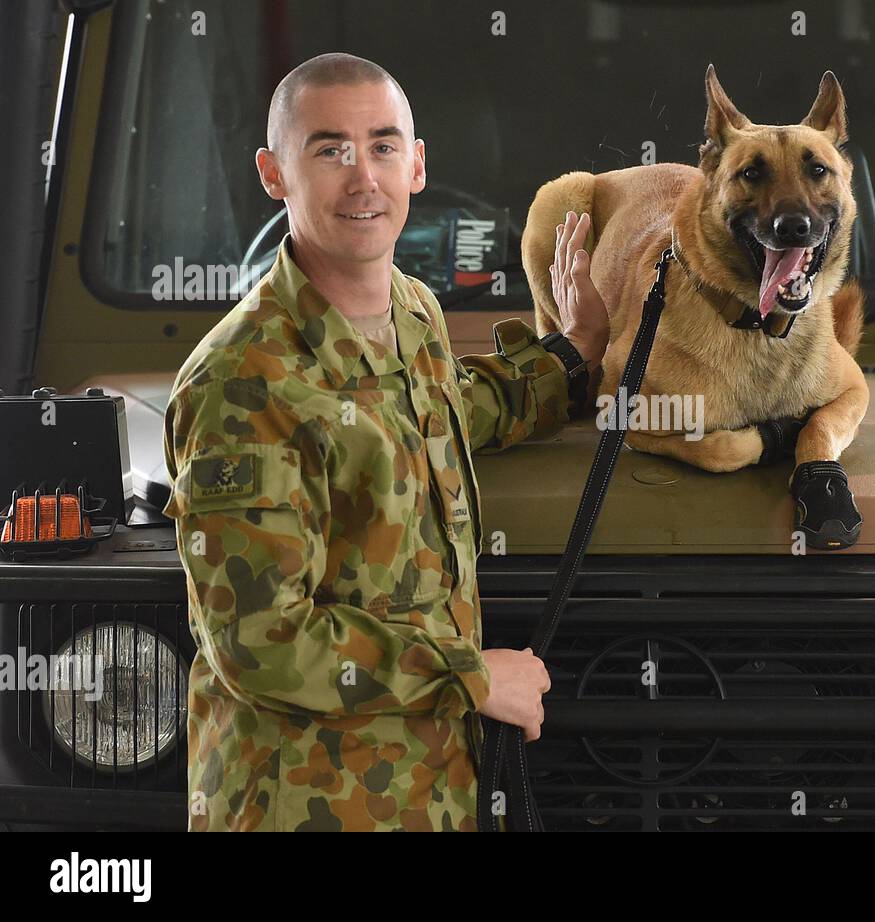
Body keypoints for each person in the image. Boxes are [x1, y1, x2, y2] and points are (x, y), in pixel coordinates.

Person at [162, 52, 608, 831]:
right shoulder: (244, 379)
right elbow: (261, 640)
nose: (363, 177)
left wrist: (570, 354)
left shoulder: (411, 313)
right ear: (274, 174)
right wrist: (470, 678)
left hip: (432, 794)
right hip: (303, 804)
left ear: (417, 164)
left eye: (382, 146)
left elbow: (444, 411)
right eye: (329, 149)